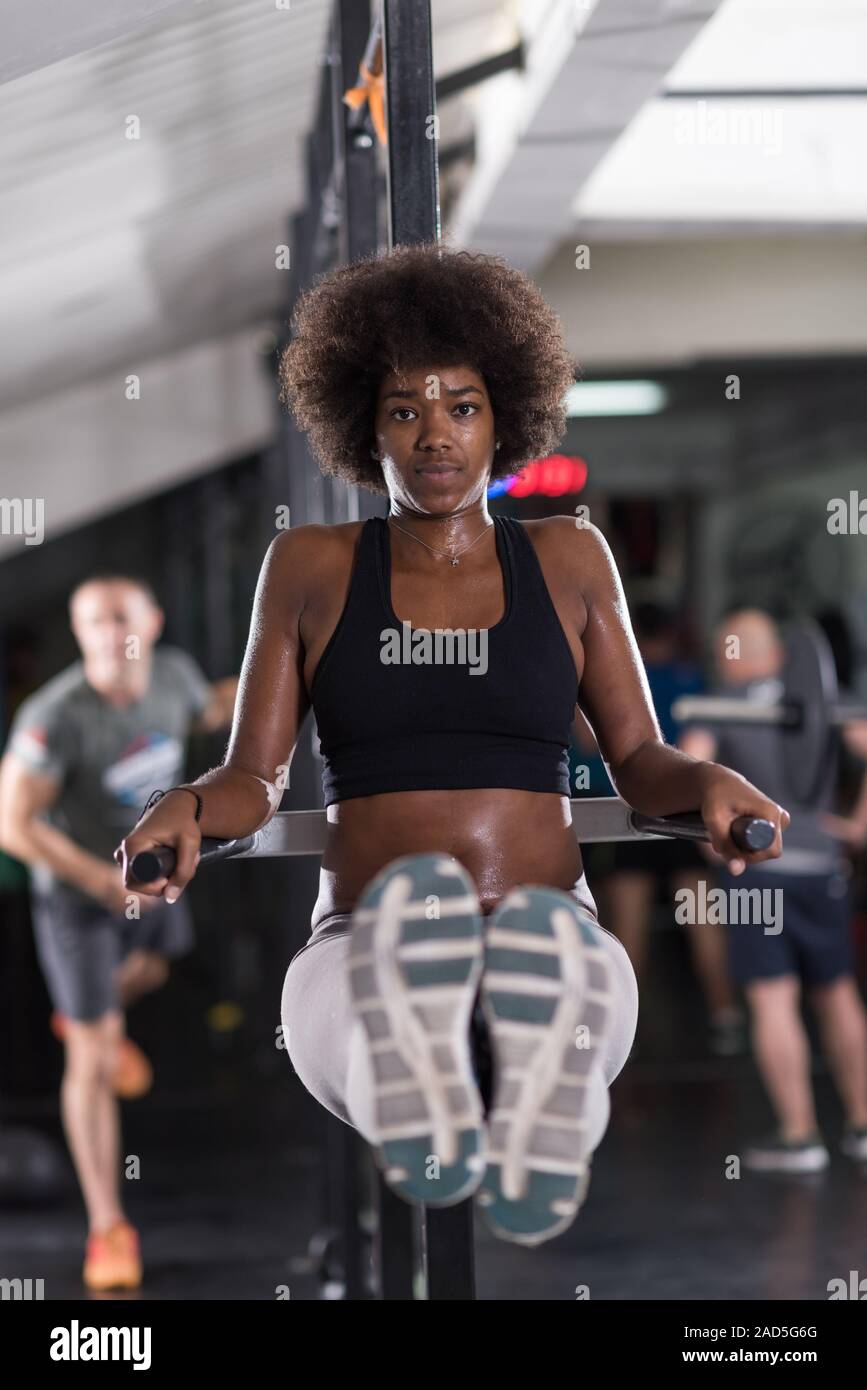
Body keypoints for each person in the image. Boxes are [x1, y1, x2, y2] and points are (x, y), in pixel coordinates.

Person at [115, 244, 786, 1246]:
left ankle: (526, 1094)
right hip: (367, 930)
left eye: (462, 406)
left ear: (503, 415)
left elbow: (640, 756)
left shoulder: (569, 557)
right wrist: (187, 807)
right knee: (365, 1031)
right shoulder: (310, 564)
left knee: (580, 1012)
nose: (435, 435)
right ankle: (425, 1076)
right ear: (363, 426)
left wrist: (714, 784)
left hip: (543, 917)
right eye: (404, 410)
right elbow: (253, 776)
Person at [0, 574, 237, 1289]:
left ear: (152, 621)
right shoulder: (54, 716)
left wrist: (306, 664)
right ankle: (108, 1227)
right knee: (96, 1064)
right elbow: (13, 825)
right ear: (78, 633)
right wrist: (98, 881)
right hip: (79, 894)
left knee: (157, 971)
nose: (108, 633)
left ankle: (89, 1018)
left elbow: (212, 708)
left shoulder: (173, 676)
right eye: (93, 621)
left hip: (153, 878)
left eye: (120, 618)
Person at [680, 608, 867, 1173]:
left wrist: (709, 844)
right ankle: (861, 1127)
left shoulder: (719, 706)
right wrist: (859, 827)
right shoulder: (825, 702)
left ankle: (800, 1136)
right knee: (836, 996)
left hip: (759, 872)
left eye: (727, 648)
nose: (724, 659)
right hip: (820, 867)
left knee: (772, 999)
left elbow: (686, 769)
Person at [597, 602, 746, 1057]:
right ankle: (727, 1019)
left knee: (628, 929)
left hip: (633, 809)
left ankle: (625, 1035)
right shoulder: (693, 680)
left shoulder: (617, 683)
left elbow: (589, 742)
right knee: (702, 920)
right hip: (684, 812)